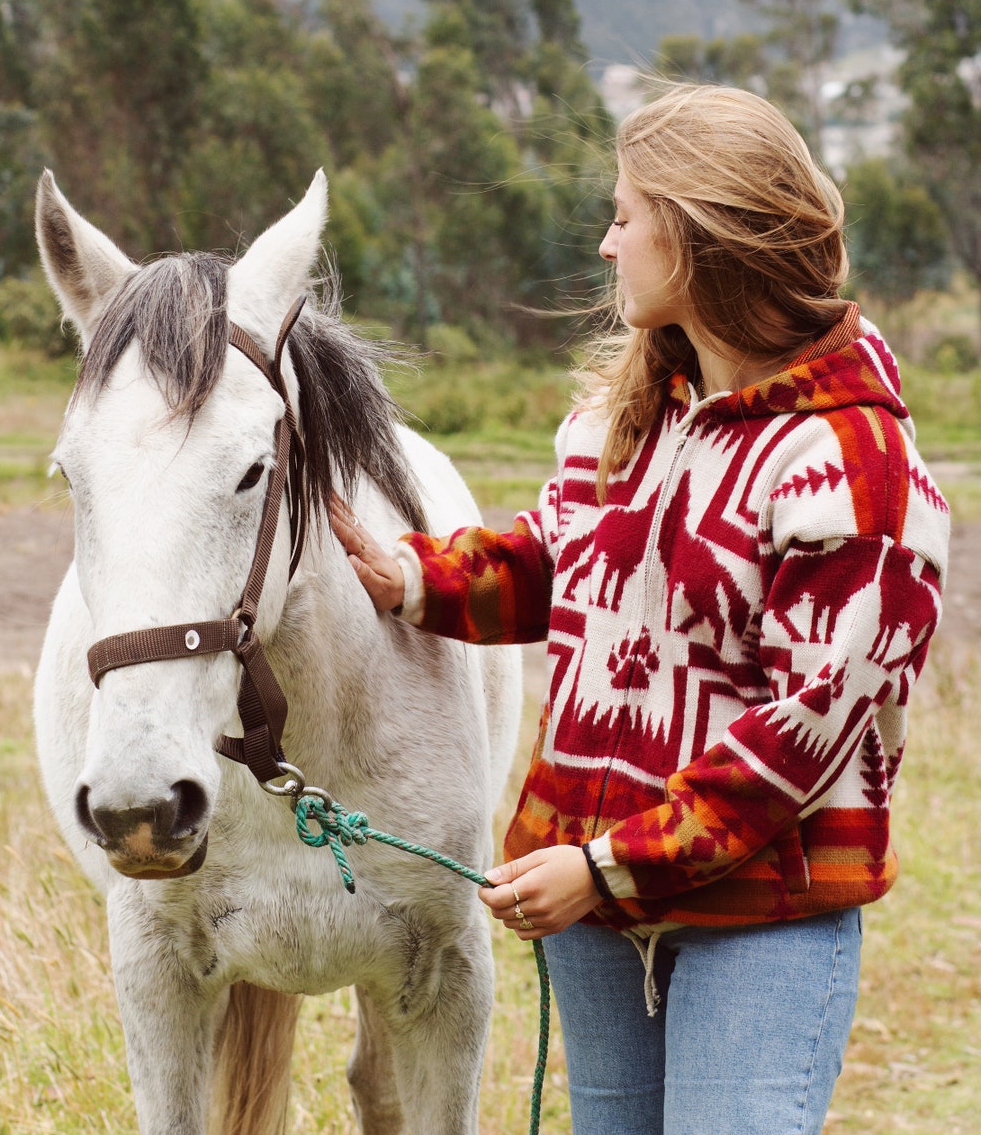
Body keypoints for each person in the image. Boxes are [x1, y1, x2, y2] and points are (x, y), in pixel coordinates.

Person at [330, 83, 949, 1134]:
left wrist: (602, 868)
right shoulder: (623, 419)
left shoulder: (850, 463)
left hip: (760, 916)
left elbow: (796, 740)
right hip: (594, 914)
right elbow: (568, 559)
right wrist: (414, 577)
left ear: (700, 235)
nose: (608, 248)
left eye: (626, 217)